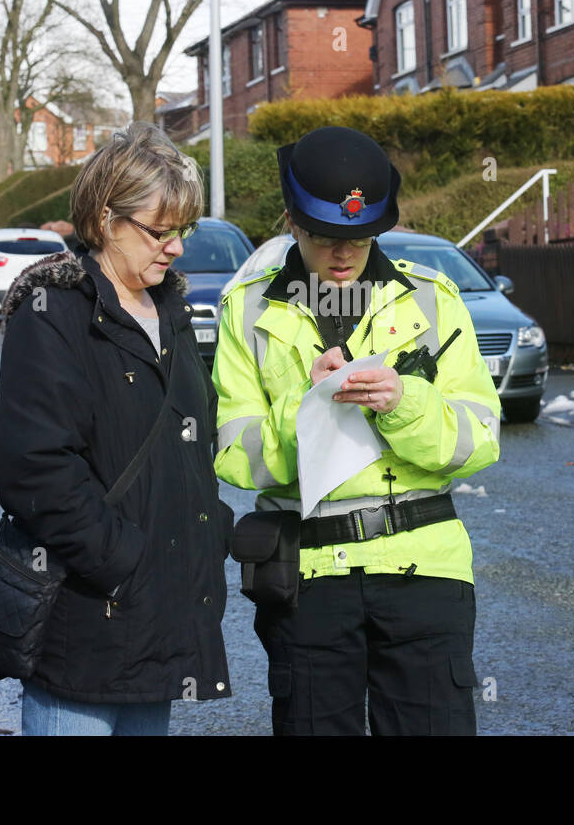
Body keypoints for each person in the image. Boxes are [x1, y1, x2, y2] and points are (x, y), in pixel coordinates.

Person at [213, 125, 501, 735]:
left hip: (425, 570)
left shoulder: (433, 300)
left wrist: (405, 402)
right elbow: (234, 455)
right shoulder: (246, 310)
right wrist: (304, 408)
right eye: (324, 237)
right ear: (292, 221)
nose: (343, 254)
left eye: (360, 238)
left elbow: (480, 439)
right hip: (309, 576)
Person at [0, 123, 232, 736]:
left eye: (183, 230)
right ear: (105, 219)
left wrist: (207, 539)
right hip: (86, 625)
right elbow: (35, 470)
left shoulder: (171, 312)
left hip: (158, 629)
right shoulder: (56, 314)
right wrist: (127, 561)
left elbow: (188, 451)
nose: (176, 246)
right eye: (160, 230)